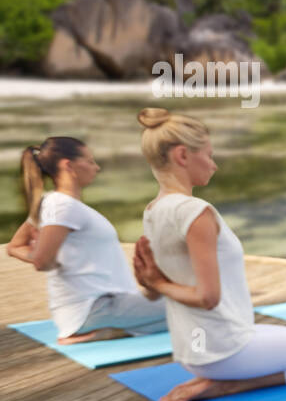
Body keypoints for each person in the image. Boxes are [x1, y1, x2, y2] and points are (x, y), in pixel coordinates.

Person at [132, 108, 286, 401]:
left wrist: (153, 283)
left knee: (276, 335)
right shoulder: (195, 213)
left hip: (190, 352)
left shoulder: (152, 212)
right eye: (208, 155)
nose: (214, 165)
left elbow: (153, 289)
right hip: (225, 352)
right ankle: (225, 386)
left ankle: (213, 377)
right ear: (182, 156)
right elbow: (207, 297)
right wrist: (156, 282)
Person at [5, 137, 166, 343]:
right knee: (196, 308)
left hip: (103, 305)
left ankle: (116, 330)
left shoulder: (56, 204)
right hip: (94, 308)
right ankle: (110, 330)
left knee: (193, 301)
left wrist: (48, 259)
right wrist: (46, 258)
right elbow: (39, 259)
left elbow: (15, 246)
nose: (96, 167)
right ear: (69, 166)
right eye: (90, 161)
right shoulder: (62, 206)